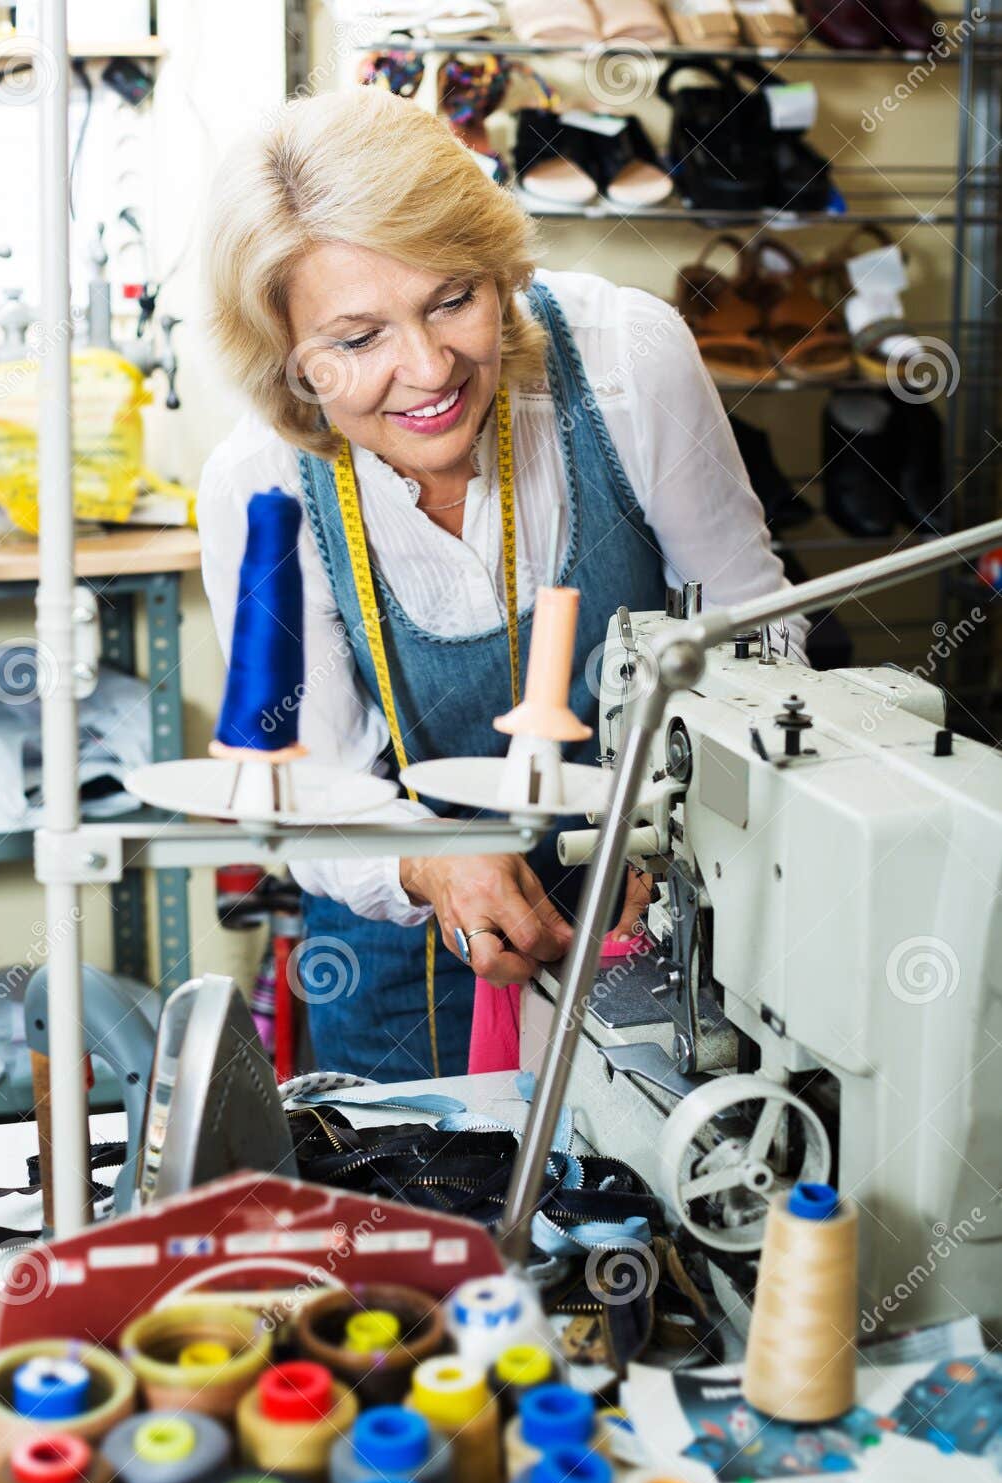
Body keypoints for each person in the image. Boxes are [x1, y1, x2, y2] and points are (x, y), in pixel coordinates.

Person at [198, 87, 804, 1083]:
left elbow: (754, 633)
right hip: (405, 960)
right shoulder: (258, 489)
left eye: (453, 299)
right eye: (357, 341)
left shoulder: (624, 358)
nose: (430, 368)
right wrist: (432, 864)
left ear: (500, 269)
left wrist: (686, 826)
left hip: (660, 914)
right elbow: (302, 785)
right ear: (288, 358)